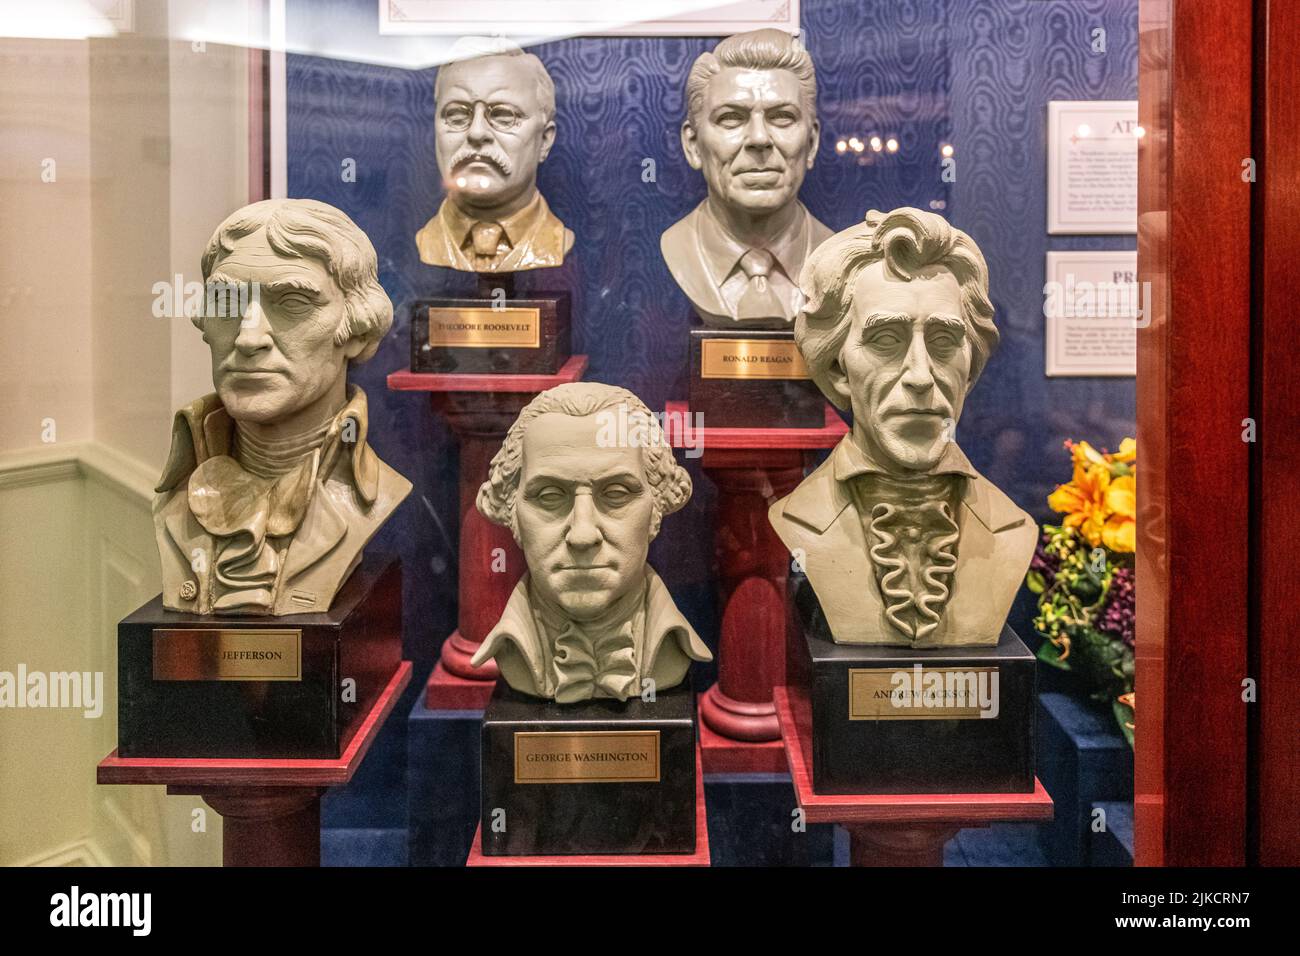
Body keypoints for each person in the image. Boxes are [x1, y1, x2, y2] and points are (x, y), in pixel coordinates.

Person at [769, 207, 1036, 646]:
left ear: (970, 371)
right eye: (886, 340)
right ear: (837, 367)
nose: (919, 375)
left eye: (944, 341)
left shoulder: (1012, 529)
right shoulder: (797, 522)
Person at [154, 198, 410, 616]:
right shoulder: (173, 496)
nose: (248, 338)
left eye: (293, 303)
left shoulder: (378, 495)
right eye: (227, 303)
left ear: (358, 329)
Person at [472, 383, 711, 702]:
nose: (582, 535)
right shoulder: (509, 654)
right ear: (510, 511)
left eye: (616, 494)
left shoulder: (673, 651)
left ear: (657, 508)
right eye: (549, 496)